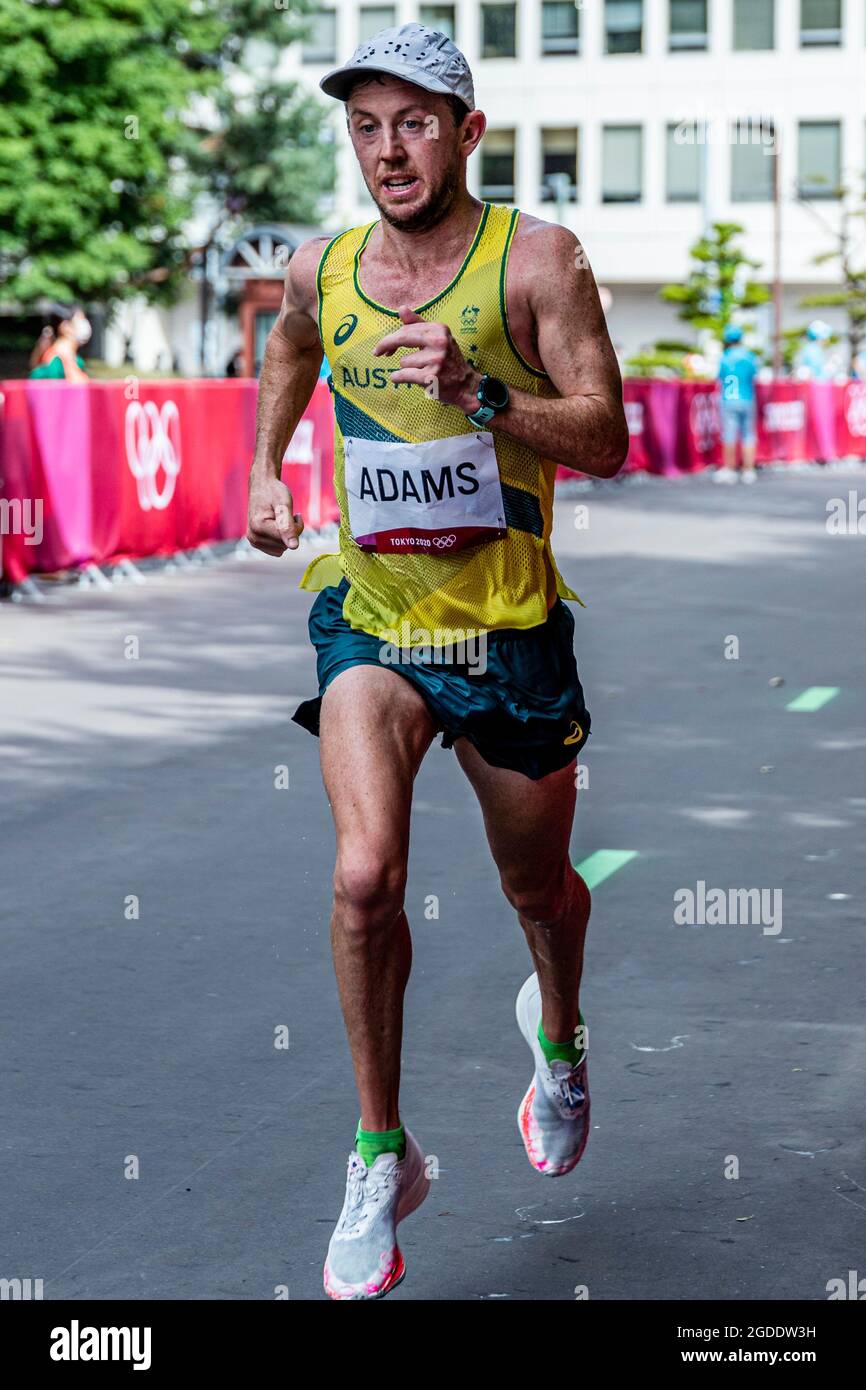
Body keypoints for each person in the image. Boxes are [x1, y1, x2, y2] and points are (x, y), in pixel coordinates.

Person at [246, 21, 628, 1301]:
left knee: (538, 894)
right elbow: (291, 345)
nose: (387, 148)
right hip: (374, 616)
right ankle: (379, 1153)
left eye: (414, 121)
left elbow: (607, 437)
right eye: (365, 124)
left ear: (467, 132)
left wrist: (481, 397)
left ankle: (558, 1035)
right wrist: (261, 470)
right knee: (362, 880)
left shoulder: (539, 260)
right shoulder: (325, 266)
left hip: (506, 633)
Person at [715, 324, 759, 484]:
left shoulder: (725, 357)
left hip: (729, 400)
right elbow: (754, 375)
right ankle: (748, 470)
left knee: (729, 435)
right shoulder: (749, 357)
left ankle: (730, 469)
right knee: (748, 435)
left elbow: (719, 377)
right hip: (747, 398)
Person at [29, 306, 91, 382]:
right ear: (65, 326)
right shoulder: (55, 362)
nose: (84, 324)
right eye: (80, 320)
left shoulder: (76, 361)